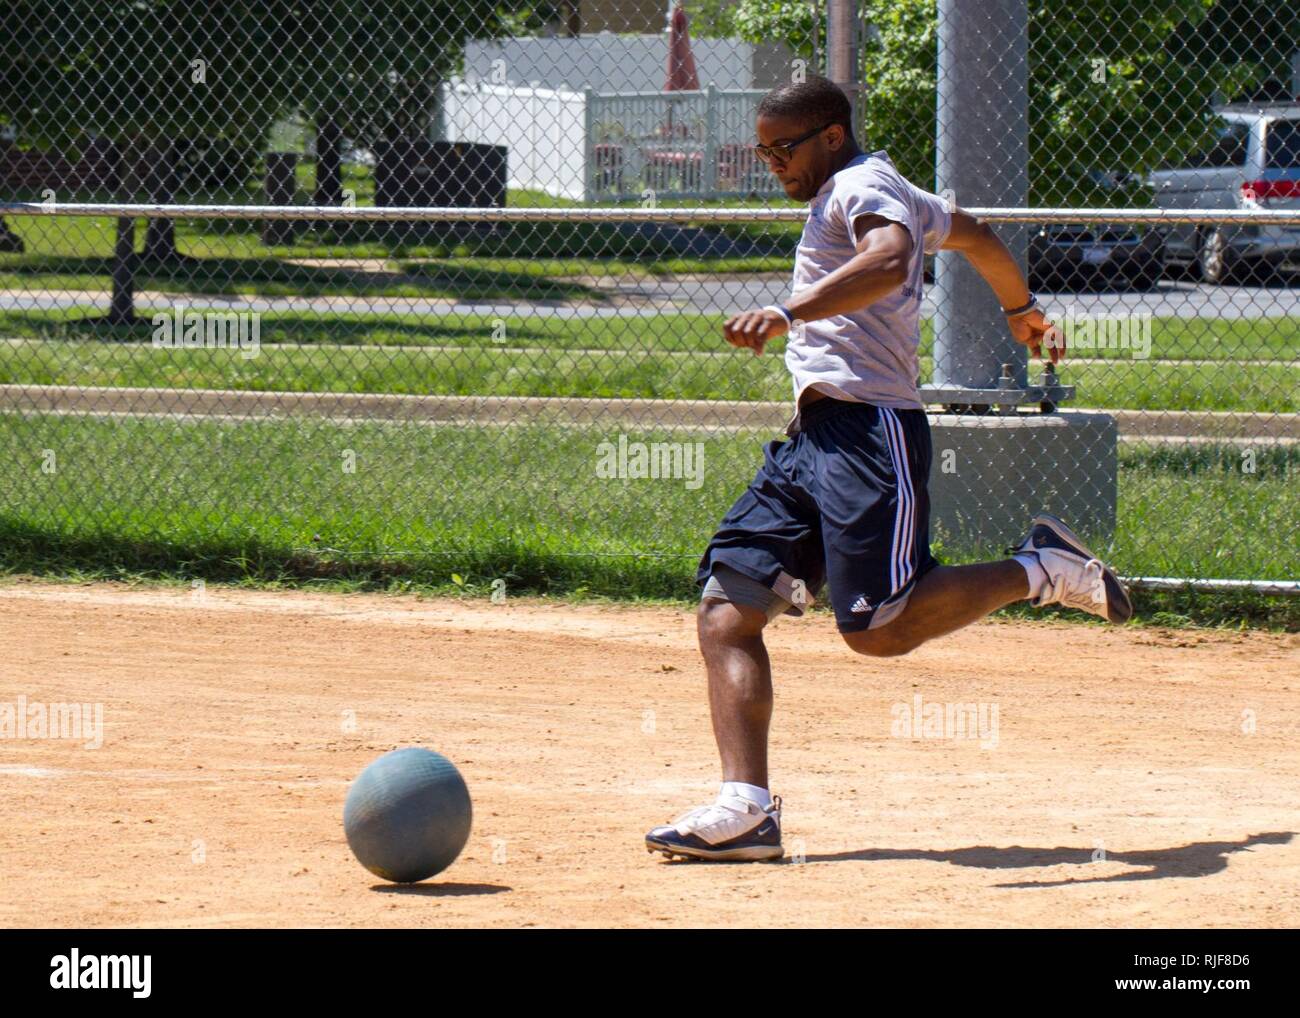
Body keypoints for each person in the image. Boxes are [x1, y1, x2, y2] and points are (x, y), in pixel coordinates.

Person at [645, 76, 1131, 863]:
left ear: (831, 135)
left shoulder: (863, 187)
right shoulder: (885, 186)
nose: (772, 163)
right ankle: (747, 808)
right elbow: (970, 233)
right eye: (763, 149)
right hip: (812, 438)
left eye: (783, 147)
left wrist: (788, 310)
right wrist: (1020, 308)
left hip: (871, 433)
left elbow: (891, 256)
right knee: (727, 609)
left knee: (877, 629)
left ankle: (1039, 569)